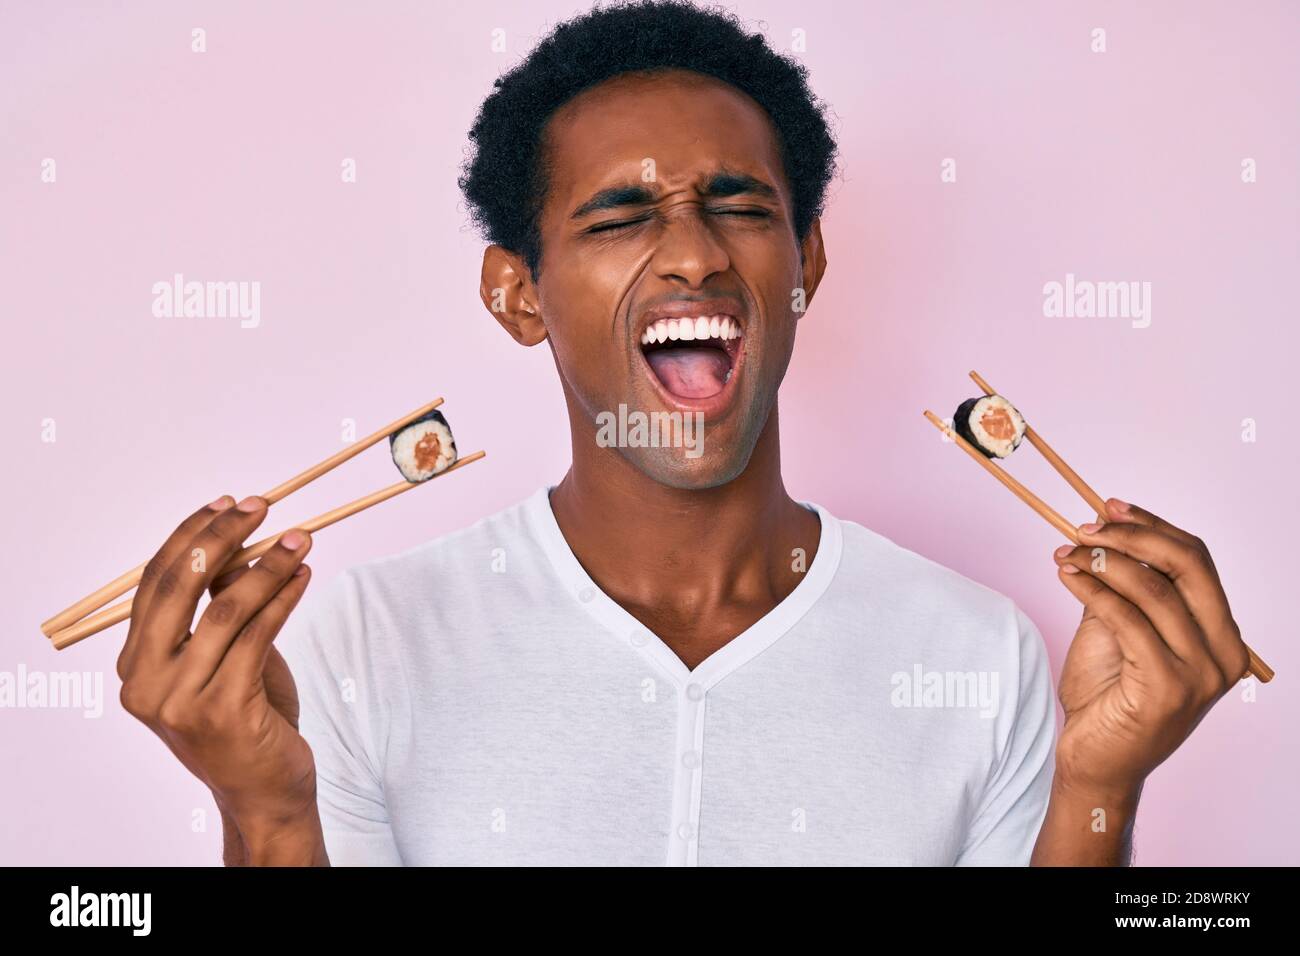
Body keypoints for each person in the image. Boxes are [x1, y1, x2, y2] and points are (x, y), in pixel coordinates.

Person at [117, 1, 1251, 866]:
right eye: (620, 215)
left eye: (741, 206)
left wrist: (1101, 786)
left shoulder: (976, 655)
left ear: (803, 266)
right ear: (519, 295)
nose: (696, 253)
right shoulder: (353, 648)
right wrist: (262, 809)